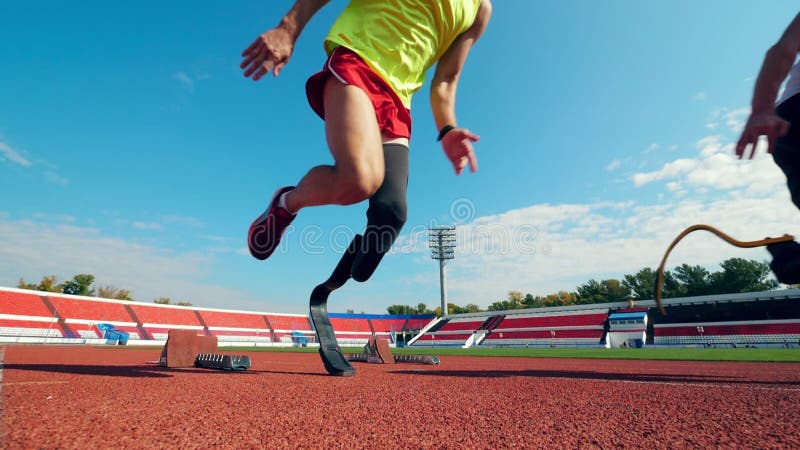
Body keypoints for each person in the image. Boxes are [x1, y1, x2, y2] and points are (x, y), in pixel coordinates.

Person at [240, 0, 492, 281]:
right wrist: (289, 28)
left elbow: (447, 78)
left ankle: (344, 283)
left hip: (398, 100)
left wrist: (447, 129)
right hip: (358, 61)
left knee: (391, 214)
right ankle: (285, 203)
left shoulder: (481, 10)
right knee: (359, 180)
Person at [736, 11, 800, 284]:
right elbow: (784, 50)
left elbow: (783, 50)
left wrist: (762, 109)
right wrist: (761, 108)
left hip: (789, 117)